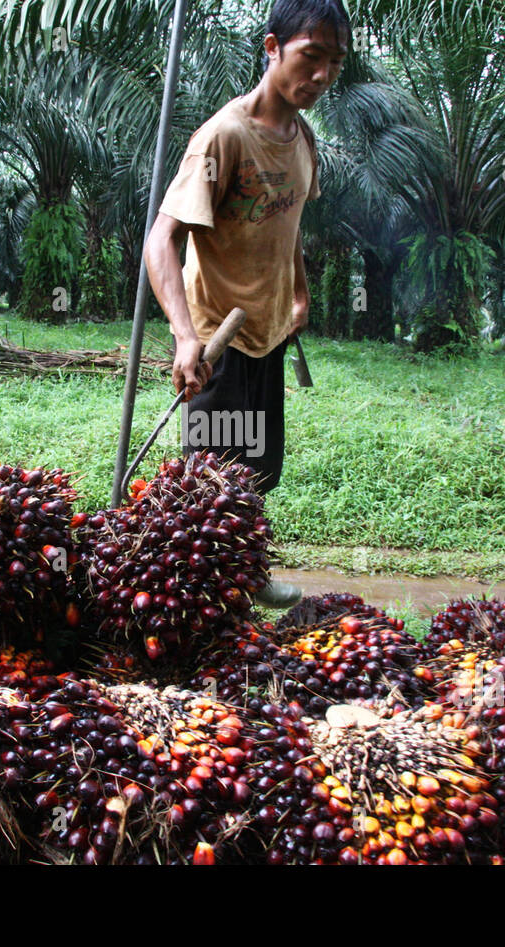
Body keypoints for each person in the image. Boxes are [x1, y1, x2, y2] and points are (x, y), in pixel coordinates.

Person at [144, 0, 349, 609]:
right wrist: (184, 337)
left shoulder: (302, 138)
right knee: (210, 474)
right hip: (217, 339)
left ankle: (242, 576)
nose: (321, 76)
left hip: (267, 331)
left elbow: (289, 226)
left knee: (257, 471)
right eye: (311, 57)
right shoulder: (224, 137)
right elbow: (163, 238)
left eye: (334, 64)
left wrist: (300, 290)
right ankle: (186, 595)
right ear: (273, 48)